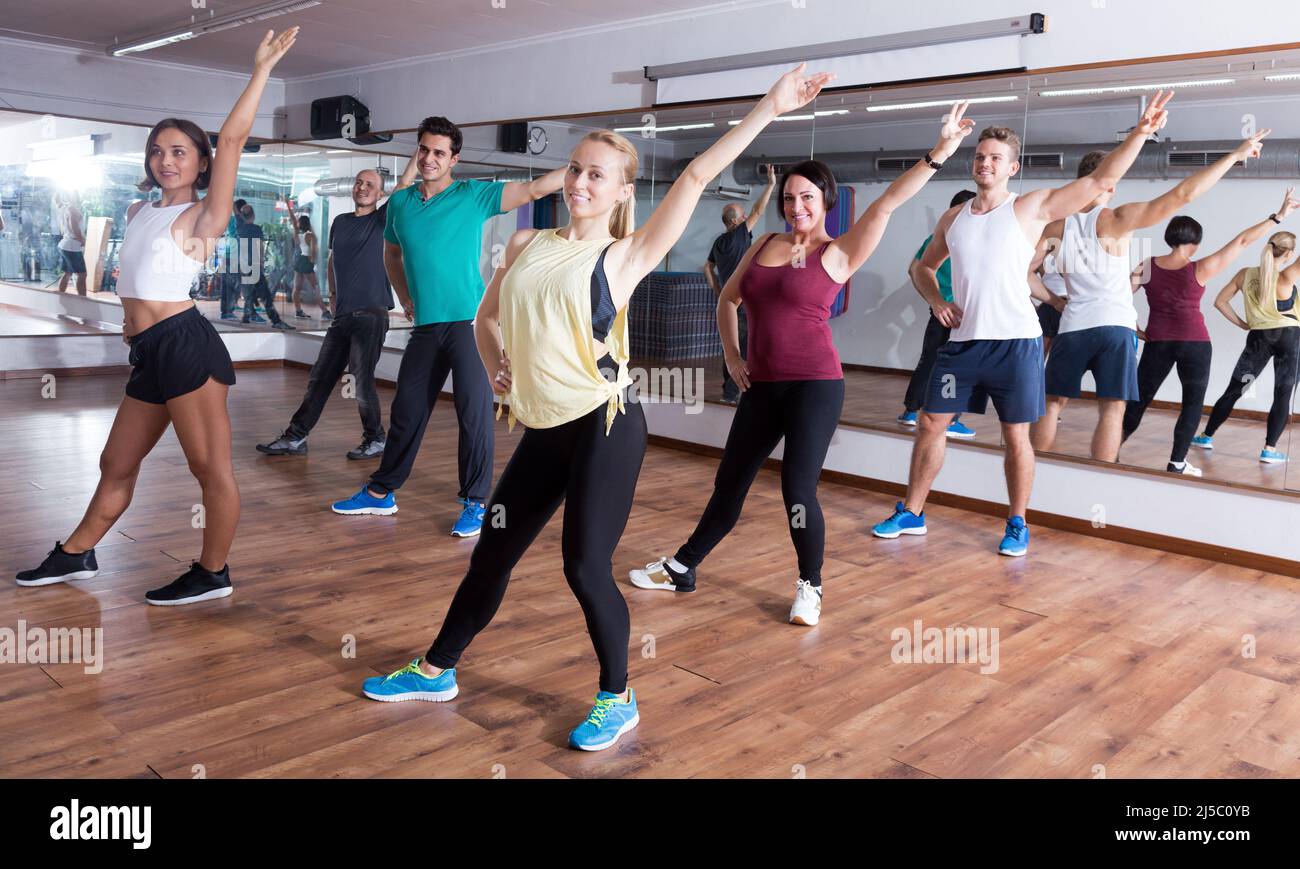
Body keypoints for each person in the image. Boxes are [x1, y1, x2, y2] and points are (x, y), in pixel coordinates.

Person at [360, 64, 837, 752]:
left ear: (618, 193)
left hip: (607, 426)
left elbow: (697, 177)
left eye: (598, 176)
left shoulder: (625, 255)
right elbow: (484, 318)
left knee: (583, 565)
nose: (581, 183)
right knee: (491, 554)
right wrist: (504, 363)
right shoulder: (526, 244)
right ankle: (436, 669)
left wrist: (771, 106)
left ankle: (618, 694)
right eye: (576, 169)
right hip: (545, 429)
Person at [630, 104, 976, 627]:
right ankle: (683, 566)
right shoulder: (764, 243)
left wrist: (938, 154)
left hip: (816, 385)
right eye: (789, 198)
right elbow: (727, 299)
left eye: (806, 198)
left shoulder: (838, 252)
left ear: (825, 203)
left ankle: (810, 585)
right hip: (762, 386)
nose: (796, 206)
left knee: (797, 490)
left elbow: (885, 205)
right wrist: (731, 354)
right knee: (730, 483)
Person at [15, 28, 298, 604]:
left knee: (209, 469)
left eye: (180, 152)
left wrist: (262, 71)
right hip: (149, 351)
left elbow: (236, 139)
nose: (166, 160)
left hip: (187, 347)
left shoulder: (205, 216)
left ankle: (213, 571)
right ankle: (77, 553)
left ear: (200, 164)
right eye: (158, 150)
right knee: (114, 459)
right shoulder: (140, 208)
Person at [871, 92, 1174, 557]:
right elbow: (922, 269)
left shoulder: (1031, 208)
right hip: (964, 344)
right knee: (931, 423)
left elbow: (1100, 179)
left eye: (995, 158)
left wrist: (1140, 133)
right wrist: (937, 301)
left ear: (1012, 167)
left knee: (1015, 435)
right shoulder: (954, 217)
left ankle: (1017, 522)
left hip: (1016, 344)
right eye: (979, 156)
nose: (984, 163)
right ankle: (912, 511)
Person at [329, 118, 568, 537]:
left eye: (439, 152)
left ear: (454, 159)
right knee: (407, 410)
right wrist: (405, 296)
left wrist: (579, 167)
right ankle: (382, 492)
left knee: (473, 414)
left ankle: (475, 503)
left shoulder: (474, 195)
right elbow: (391, 255)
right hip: (426, 326)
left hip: (468, 325)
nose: (429, 158)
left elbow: (534, 189)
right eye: (423, 149)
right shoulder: (401, 204)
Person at [1030, 131, 1271, 463]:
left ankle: (1035, 473)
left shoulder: (1054, 228)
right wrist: (1233, 156)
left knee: (1051, 401)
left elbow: (1025, 272)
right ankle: (1100, 480)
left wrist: (1056, 301)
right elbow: (1184, 194)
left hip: (1073, 326)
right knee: (1113, 409)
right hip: (1114, 328)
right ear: (1110, 184)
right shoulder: (1117, 219)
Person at [1123, 190, 1298, 475]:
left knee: (1139, 400)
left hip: (1158, 342)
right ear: (1195, 242)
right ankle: (1177, 462)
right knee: (1192, 404)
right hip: (1196, 344)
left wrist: (1135, 328)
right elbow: (1242, 241)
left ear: (1170, 238)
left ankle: (1112, 449)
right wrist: (1277, 218)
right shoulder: (1200, 268)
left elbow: (1118, 299)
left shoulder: (1147, 266)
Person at [257, 160, 419, 460]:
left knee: (360, 378)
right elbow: (333, 261)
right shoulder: (341, 222)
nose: (362, 187)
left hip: (371, 313)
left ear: (380, 194)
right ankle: (295, 437)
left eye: (370, 184)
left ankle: (375, 439)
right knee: (320, 377)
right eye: (359, 182)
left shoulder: (382, 220)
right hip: (343, 315)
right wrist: (331, 293)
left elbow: (405, 184)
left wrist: (417, 152)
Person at [1193, 231, 1300, 463]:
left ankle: (1206, 436)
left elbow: (1219, 301)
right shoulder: (1287, 276)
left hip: (1259, 337)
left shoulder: (1245, 275)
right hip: (1290, 337)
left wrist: (1243, 324)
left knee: (1235, 389)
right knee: (1283, 393)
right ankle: (1269, 450)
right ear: (1290, 253)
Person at [898, 189, 978, 438]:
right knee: (955, 367)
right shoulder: (962, 241)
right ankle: (950, 419)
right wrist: (937, 302)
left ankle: (911, 412)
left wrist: (936, 302)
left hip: (945, 312)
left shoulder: (935, 240)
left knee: (930, 362)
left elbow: (914, 270)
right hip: (957, 314)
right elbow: (914, 270)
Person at [707, 164, 776, 403]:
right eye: (743, 216)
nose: (748, 217)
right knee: (744, 348)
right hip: (743, 302)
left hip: (727, 302)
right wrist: (771, 184)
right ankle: (736, 391)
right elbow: (759, 209)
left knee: (730, 348)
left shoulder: (719, 242)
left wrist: (718, 290)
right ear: (735, 221)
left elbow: (708, 267)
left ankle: (730, 391)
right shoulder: (739, 235)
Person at [236, 203, 293, 330]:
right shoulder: (256, 229)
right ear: (254, 216)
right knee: (265, 294)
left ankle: (246, 316)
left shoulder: (240, 228)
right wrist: (261, 261)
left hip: (244, 264)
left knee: (249, 291)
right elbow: (259, 246)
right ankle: (275, 320)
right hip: (254, 264)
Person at [285, 198, 328, 320]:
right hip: (306, 261)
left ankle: (298, 311)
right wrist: (313, 261)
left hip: (299, 261)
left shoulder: (297, 233)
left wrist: (289, 206)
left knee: (296, 288)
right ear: (309, 223)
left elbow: (293, 220)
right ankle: (325, 312)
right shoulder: (310, 235)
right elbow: (314, 251)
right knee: (316, 287)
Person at [55, 191, 88, 296]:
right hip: (72, 246)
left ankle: (60, 297)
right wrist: (82, 240)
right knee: (82, 274)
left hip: (66, 245)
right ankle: (83, 300)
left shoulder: (64, 208)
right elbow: (74, 227)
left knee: (68, 273)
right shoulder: (72, 210)